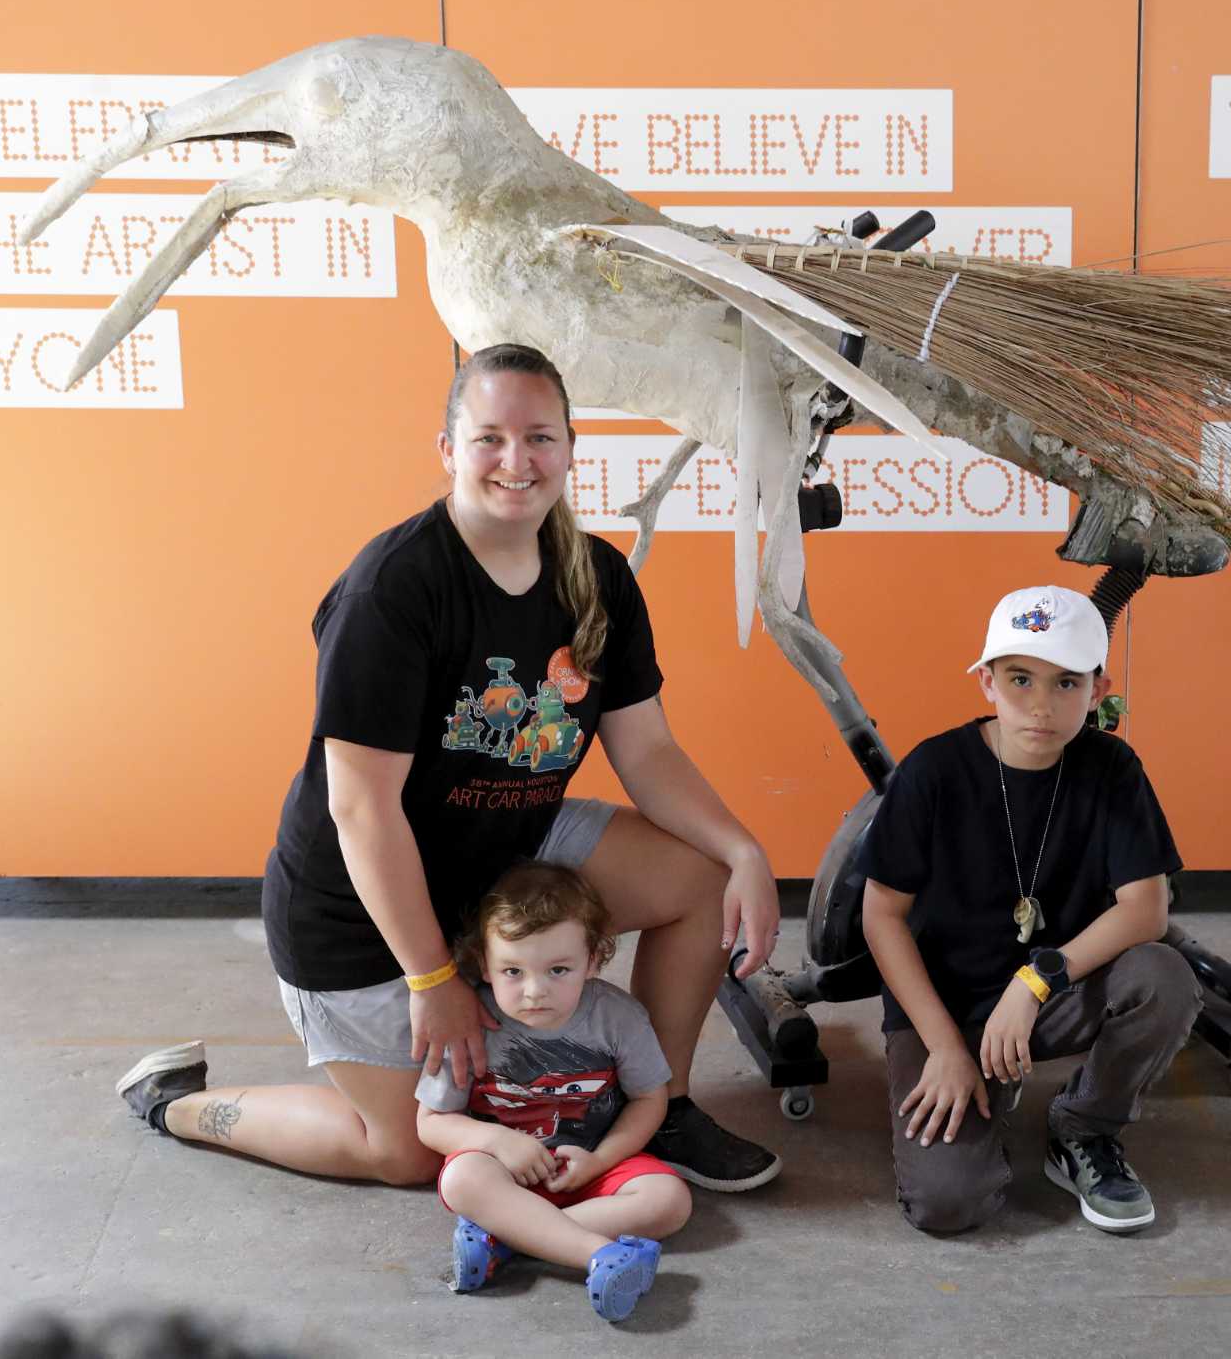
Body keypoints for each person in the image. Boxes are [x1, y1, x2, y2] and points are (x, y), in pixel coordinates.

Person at [114, 343, 783, 1196]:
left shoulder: (599, 581)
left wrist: (745, 851)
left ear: (572, 448)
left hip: (504, 856)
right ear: (447, 451)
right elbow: (360, 811)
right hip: (360, 912)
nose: (517, 461)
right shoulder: (393, 589)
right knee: (409, 1154)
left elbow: (647, 750)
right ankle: (175, 1101)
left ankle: (663, 1103)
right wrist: (433, 975)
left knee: (697, 871)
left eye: (540, 437)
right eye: (489, 438)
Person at [859, 584, 1202, 1235]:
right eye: (1021, 679)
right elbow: (882, 916)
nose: (1042, 706)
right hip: (947, 1006)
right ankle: (978, 1073)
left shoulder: (1112, 768)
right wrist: (943, 1046)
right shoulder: (933, 772)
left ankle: (1083, 1125)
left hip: (1050, 993)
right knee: (947, 1204)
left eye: (1066, 683)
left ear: (1098, 690)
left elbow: (1147, 909)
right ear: (986, 682)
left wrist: (1034, 979)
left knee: (1163, 976)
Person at [416, 860, 688, 1321]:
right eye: (513, 972)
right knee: (462, 1178)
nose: (535, 991)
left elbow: (649, 1099)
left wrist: (600, 1161)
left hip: (592, 1168)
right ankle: (593, 1253)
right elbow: (431, 1122)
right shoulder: (469, 1023)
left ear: (595, 958)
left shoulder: (618, 1018)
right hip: (503, 1176)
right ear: (484, 963)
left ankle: (506, 1241)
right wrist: (498, 1142)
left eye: (559, 969)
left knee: (671, 1200)